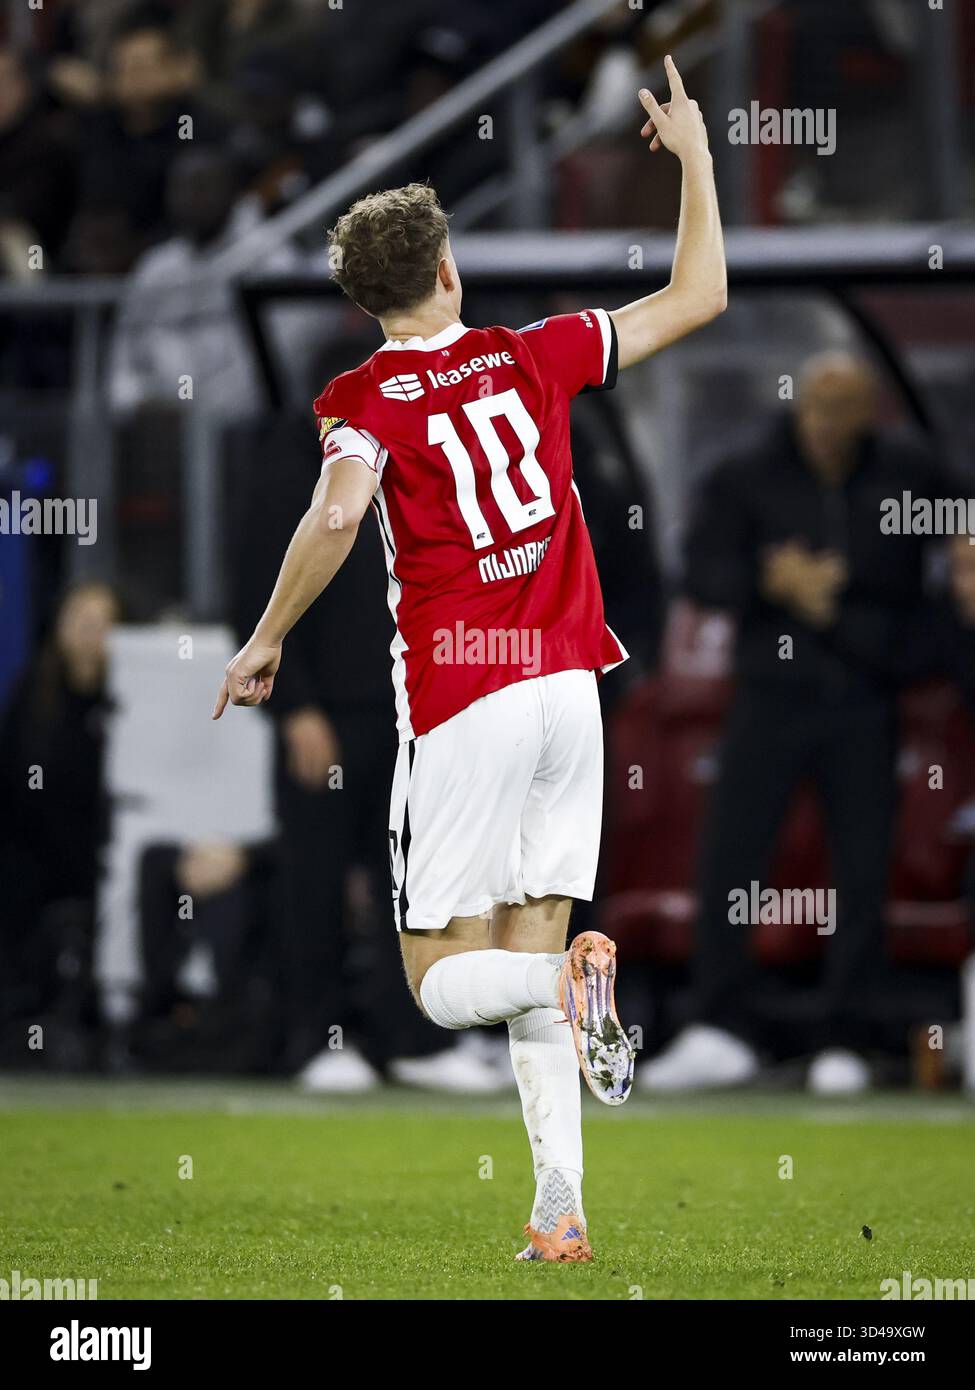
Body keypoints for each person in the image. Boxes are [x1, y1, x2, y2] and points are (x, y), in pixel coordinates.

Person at [214, 56, 726, 1261]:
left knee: (444, 977)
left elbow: (339, 517)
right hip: (567, 686)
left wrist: (269, 634)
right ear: (449, 270)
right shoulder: (535, 353)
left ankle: (564, 993)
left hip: (463, 693)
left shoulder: (365, 396)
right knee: (534, 943)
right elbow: (698, 297)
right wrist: (698, 160)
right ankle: (560, 1211)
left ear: (364, 303)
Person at [642, 352, 950, 1097]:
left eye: (846, 412)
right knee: (730, 858)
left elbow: (949, 549)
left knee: (863, 865)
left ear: (869, 413)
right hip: (769, 694)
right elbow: (699, 571)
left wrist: (843, 606)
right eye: (818, 410)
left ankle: (846, 1034)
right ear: (799, 407)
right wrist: (768, 582)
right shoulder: (745, 472)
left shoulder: (910, 470)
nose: (829, 427)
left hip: (865, 695)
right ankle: (719, 1027)